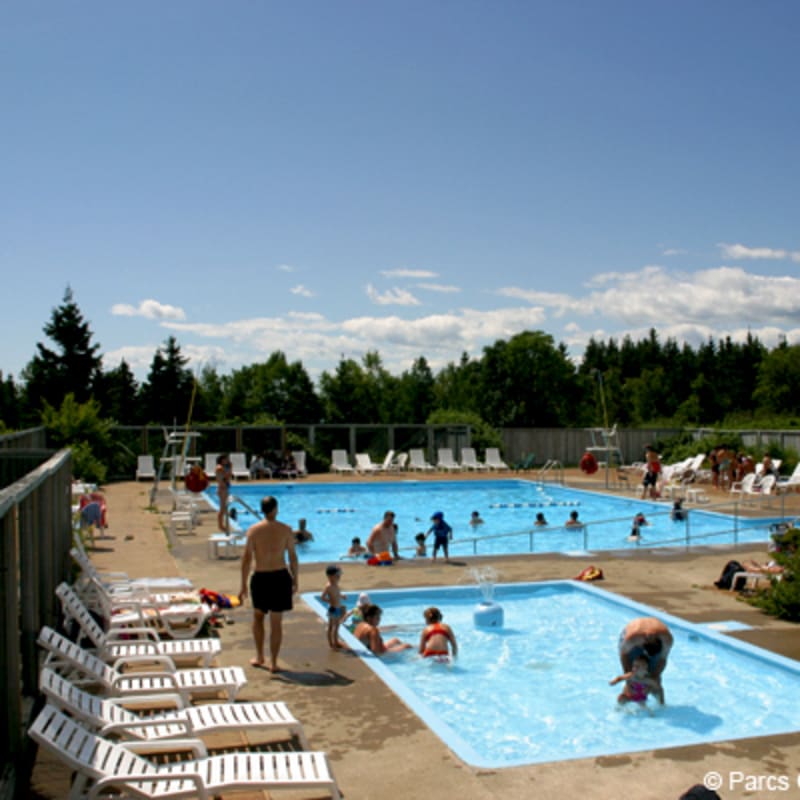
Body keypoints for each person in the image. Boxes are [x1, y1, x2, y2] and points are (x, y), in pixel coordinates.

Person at [238, 496, 298, 673]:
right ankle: (274, 662)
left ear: (262, 509)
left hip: (261, 577)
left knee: (258, 617)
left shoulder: (254, 531)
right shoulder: (286, 530)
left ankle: (259, 656)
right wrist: (296, 579)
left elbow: (247, 559)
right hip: (280, 577)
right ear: (276, 509)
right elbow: (293, 557)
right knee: (276, 622)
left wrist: (242, 584)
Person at [618, 617, 673, 701]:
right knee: (634, 673)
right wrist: (629, 677)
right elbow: (623, 655)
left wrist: (654, 679)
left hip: (650, 636)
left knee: (654, 676)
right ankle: (626, 698)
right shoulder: (632, 639)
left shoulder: (667, 640)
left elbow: (662, 660)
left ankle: (661, 704)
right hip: (632, 637)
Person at [320, 565, 346, 650]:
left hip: (338, 608)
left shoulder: (336, 584)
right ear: (330, 576)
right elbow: (322, 597)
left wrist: (342, 596)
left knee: (337, 626)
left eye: (339, 576)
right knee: (331, 627)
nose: (339, 577)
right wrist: (329, 601)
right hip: (333, 609)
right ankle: (331, 644)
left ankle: (336, 642)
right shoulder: (328, 586)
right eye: (337, 576)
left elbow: (337, 593)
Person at [215, 453, 232, 531]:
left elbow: (228, 477)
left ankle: (222, 524)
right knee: (222, 508)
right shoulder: (220, 468)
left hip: (224, 489)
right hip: (222, 489)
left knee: (224, 508)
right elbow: (227, 476)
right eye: (226, 459)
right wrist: (231, 467)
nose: (227, 460)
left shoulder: (222, 467)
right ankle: (220, 526)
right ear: (221, 460)